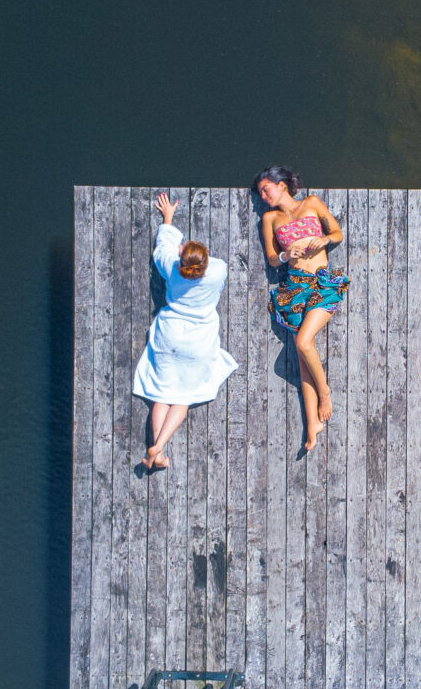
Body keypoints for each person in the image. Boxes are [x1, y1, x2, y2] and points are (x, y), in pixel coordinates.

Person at [133, 191, 236, 470]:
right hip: (198, 341)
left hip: (170, 335)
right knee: (184, 396)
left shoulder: (171, 268)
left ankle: (158, 452)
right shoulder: (218, 270)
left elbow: (163, 247)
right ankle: (157, 448)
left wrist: (168, 218)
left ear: (181, 260)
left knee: (162, 394)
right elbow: (194, 258)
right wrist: (188, 253)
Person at [255, 165, 345, 451]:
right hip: (294, 287)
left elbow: (337, 233)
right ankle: (312, 425)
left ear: (282, 185)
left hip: (321, 283)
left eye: (265, 189)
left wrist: (325, 239)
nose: (263, 196)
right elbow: (272, 258)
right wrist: (285, 254)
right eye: (260, 193)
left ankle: (325, 393)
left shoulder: (312, 203)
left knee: (303, 342)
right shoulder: (270, 219)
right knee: (302, 354)